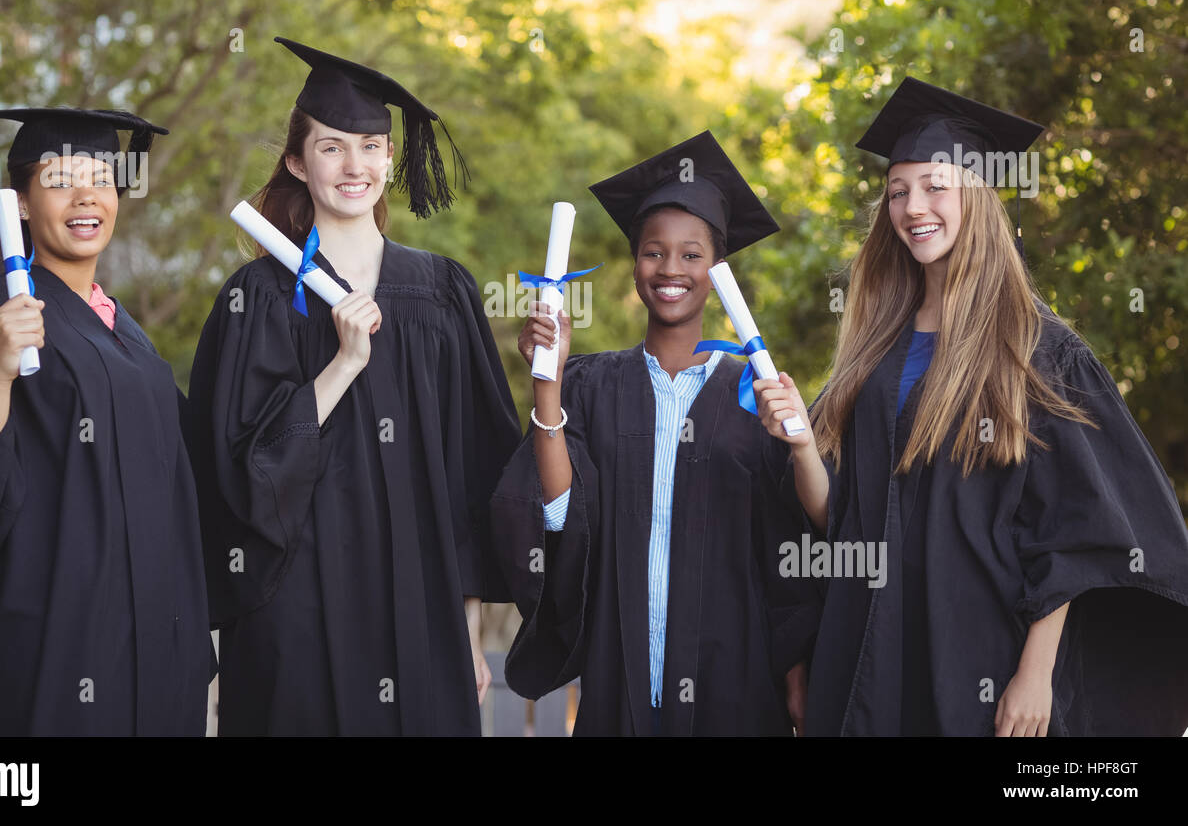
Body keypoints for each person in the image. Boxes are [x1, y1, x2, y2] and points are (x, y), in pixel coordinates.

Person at [754, 77, 1188, 736]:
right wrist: (800, 446)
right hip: (869, 648)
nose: (912, 206)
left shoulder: (1038, 351)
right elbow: (837, 520)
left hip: (980, 652)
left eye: (935, 186)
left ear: (976, 197)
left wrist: (1035, 676)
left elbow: (1075, 534)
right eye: (898, 192)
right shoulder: (873, 350)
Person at [185, 38, 520, 735]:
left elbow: (469, 475)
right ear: (297, 161)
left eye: (370, 146)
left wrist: (466, 628)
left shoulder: (442, 293)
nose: (354, 165)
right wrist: (340, 365)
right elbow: (237, 472)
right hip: (295, 612)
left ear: (390, 160)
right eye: (332, 147)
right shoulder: (257, 300)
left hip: (421, 608)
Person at [0, 107, 211, 735]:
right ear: (22, 204)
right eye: (60, 178)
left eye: (101, 176)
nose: (86, 195)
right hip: (45, 647)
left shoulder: (130, 337)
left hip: (145, 650)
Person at [490, 131, 819, 736]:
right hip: (622, 674)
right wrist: (549, 381)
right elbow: (562, 514)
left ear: (718, 269)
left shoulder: (758, 394)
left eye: (692, 255)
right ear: (634, 263)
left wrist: (797, 681)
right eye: (653, 252)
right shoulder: (591, 382)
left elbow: (786, 549)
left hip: (735, 678)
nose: (671, 269)